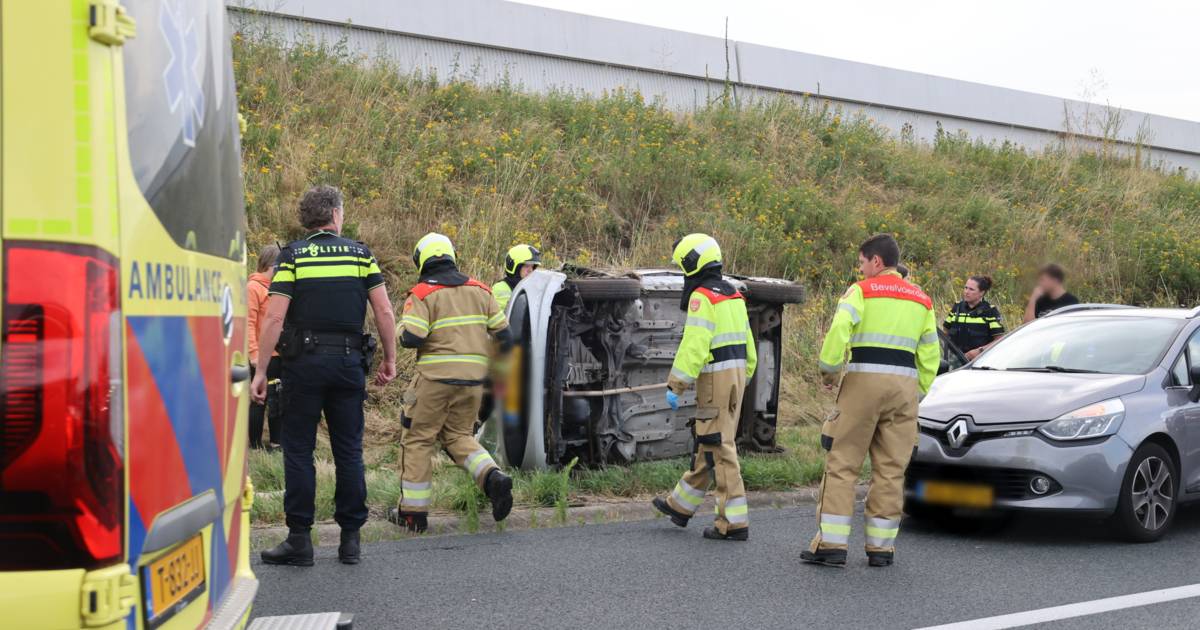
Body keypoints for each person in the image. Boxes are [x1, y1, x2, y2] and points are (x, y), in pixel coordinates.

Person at [252, 185, 398, 566]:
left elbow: (275, 316)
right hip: (349, 365)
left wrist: (262, 369)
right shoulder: (361, 254)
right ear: (335, 214)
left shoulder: (293, 257)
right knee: (349, 449)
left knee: (299, 449)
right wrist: (390, 360)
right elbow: (384, 312)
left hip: (304, 366)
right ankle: (350, 540)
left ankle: (300, 539)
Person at [805, 234, 939, 568]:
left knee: (842, 463)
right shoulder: (922, 299)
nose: (861, 269)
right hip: (905, 390)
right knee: (892, 469)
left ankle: (832, 545)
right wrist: (917, 390)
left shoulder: (861, 291)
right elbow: (930, 353)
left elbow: (840, 330)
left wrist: (829, 371)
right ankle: (881, 549)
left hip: (864, 385)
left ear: (876, 261)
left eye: (863, 262)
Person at [389, 232, 515, 533]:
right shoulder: (482, 290)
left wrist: (400, 328)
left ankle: (413, 514)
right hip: (473, 382)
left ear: (422, 260)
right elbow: (506, 338)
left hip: (433, 380)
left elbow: (412, 338)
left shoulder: (421, 293)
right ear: (451, 256)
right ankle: (492, 477)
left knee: (418, 439)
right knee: (459, 436)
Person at [651, 233, 757, 541]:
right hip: (736, 376)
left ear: (691, 264)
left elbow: (694, 346)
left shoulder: (702, 298)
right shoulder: (733, 294)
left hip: (716, 379)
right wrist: (743, 377)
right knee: (709, 443)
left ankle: (733, 523)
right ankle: (680, 506)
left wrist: (676, 385)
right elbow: (749, 345)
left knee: (719, 446)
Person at [248, 243, 282, 450]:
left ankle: (277, 443)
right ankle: (255, 445)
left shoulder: (277, 289)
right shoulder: (253, 288)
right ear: (273, 265)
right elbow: (249, 323)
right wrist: (253, 354)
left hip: (279, 355)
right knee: (259, 402)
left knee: (278, 400)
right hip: (261, 356)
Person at [944, 275, 1005, 360]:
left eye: (971, 289)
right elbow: (945, 332)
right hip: (954, 362)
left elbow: (1000, 340)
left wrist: (980, 351)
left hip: (979, 362)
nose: (966, 292)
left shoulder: (990, 311)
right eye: (966, 288)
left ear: (982, 293)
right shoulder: (957, 307)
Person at [491, 243, 542, 311]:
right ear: (514, 267)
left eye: (532, 267)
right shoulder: (500, 288)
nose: (530, 270)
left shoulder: (532, 288)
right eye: (526, 266)